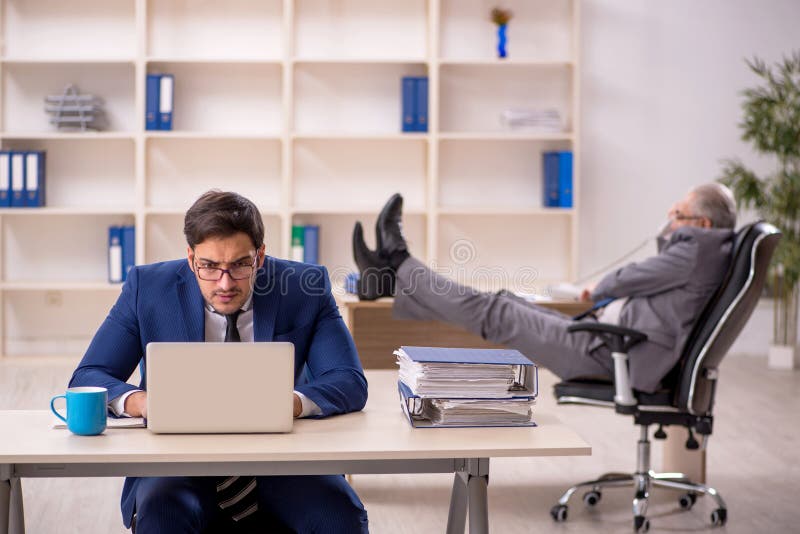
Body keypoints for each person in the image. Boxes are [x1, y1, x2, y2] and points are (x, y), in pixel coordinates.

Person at [70, 190, 369, 533]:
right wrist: (145, 402)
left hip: (282, 461)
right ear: (190, 257)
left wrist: (292, 403)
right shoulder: (147, 288)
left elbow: (348, 380)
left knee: (339, 514)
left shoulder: (306, 287)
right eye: (209, 266)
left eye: (240, 265)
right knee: (161, 511)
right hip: (175, 462)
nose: (225, 283)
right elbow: (89, 376)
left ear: (260, 256)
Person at [352, 183, 737, 394]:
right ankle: (386, 277)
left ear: (702, 224)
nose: (670, 220)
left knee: (497, 313)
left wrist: (600, 286)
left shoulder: (696, 250)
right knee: (504, 301)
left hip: (611, 352)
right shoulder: (706, 250)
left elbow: (628, 279)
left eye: (678, 215)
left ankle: (396, 262)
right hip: (608, 340)